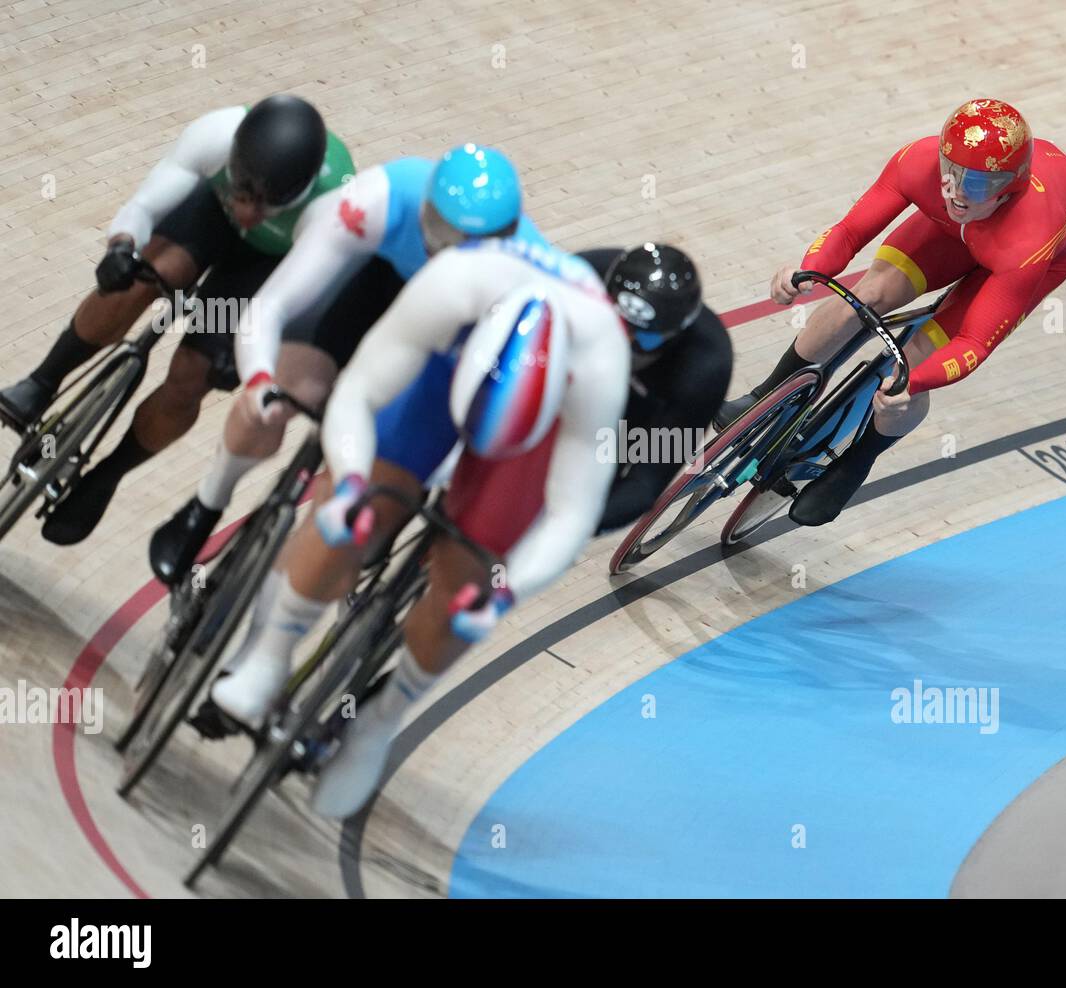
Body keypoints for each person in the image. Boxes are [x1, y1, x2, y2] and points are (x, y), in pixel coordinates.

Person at [207, 220, 629, 819]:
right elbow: (357, 395)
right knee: (364, 501)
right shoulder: (456, 283)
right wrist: (351, 481)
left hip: (531, 431)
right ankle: (271, 653)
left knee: (469, 582)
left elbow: (571, 514)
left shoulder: (599, 363)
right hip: (440, 376)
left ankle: (378, 722)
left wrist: (504, 596)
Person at [147, 144, 526, 585]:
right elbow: (271, 305)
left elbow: (493, 388)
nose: (448, 250)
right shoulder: (377, 200)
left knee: (384, 467)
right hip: (365, 285)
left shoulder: (523, 274)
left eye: (469, 243)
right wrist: (259, 378)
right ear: (424, 206)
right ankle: (205, 505)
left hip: (438, 329)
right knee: (281, 395)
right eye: (441, 230)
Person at [714, 98, 1066, 527]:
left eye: (972, 185)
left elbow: (972, 344)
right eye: (949, 172)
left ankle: (855, 464)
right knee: (867, 293)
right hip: (952, 234)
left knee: (914, 363)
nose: (953, 191)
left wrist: (913, 381)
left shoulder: (1030, 241)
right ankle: (768, 393)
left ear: (1008, 189)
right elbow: (849, 231)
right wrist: (808, 271)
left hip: (1023, 253)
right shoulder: (919, 163)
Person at [0, 94, 354, 545]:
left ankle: (106, 476)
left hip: (271, 267)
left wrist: (247, 352)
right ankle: (42, 381)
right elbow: (145, 206)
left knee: (193, 374)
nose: (247, 213)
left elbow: (297, 300)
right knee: (142, 277)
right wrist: (121, 246)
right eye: (242, 193)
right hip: (209, 216)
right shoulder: (217, 134)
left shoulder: (334, 212)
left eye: (263, 207)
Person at [579, 244, 732, 532]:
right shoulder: (586, 273)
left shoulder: (705, 368)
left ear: (677, 334)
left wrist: (574, 526)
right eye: (619, 327)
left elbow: (646, 481)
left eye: (644, 340)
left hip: (625, 419)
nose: (626, 345)